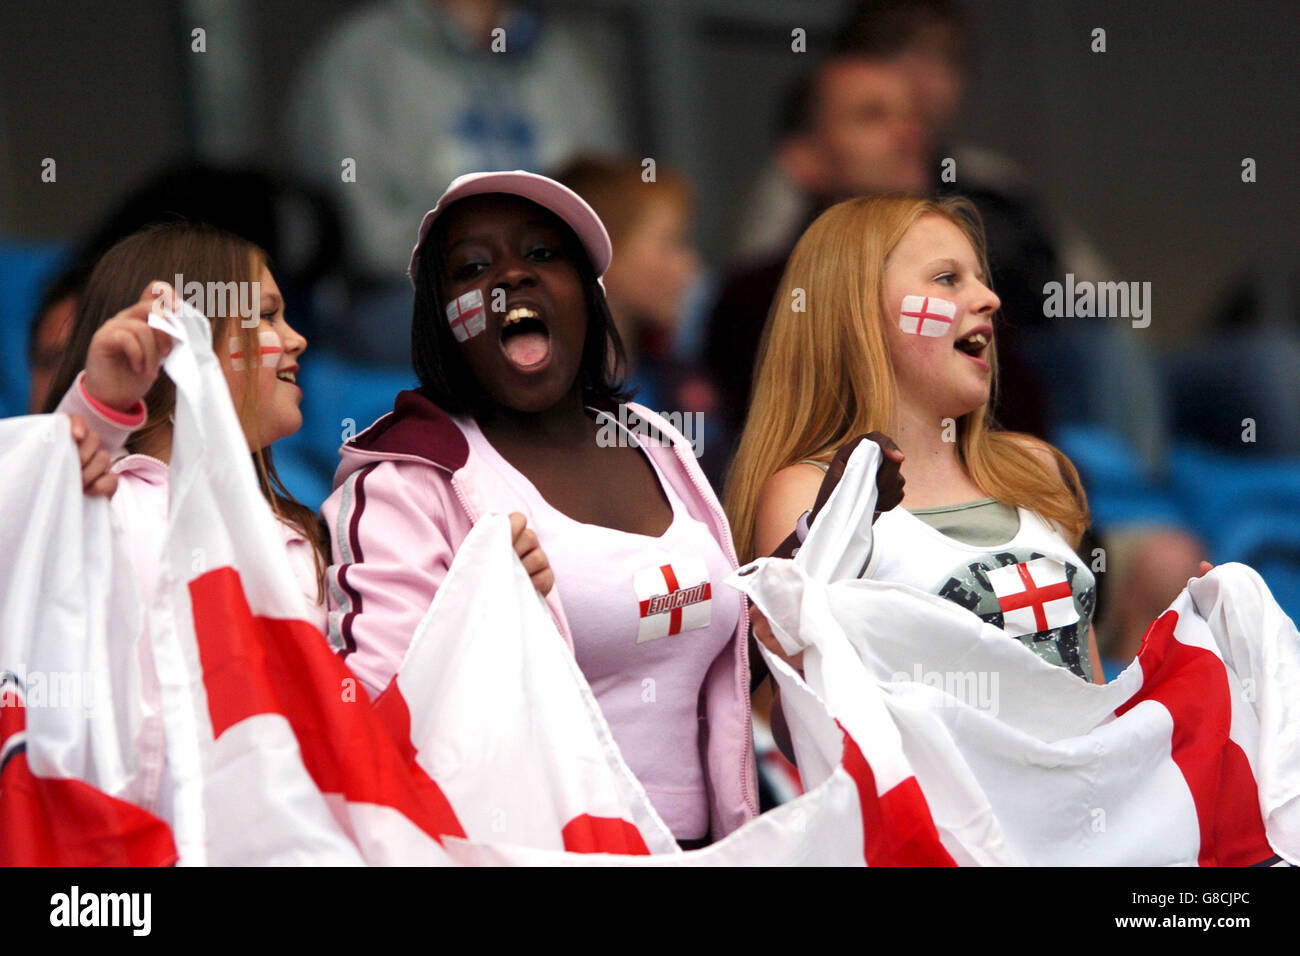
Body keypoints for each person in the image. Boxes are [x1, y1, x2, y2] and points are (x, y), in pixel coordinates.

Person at [321, 171, 757, 845]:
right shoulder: (410, 478)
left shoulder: (653, 438)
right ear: (442, 323)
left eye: (544, 255)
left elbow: (722, 658)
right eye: (472, 267)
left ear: (587, 296)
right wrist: (482, 618)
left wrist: (811, 552)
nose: (511, 278)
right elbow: (368, 719)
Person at [727, 195, 1107, 685]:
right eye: (947, 279)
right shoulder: (807, 492)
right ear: (856, 313)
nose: (989, 298)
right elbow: (807, 716)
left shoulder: (1035, 469)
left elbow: (1096, 699)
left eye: (979, 278)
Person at [40, 221, 328, 815]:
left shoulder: (303, 540)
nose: (295, 339)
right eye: (267, 316)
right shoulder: (102, 503)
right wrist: (99, 410)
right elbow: (28, 528)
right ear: (184, 341)